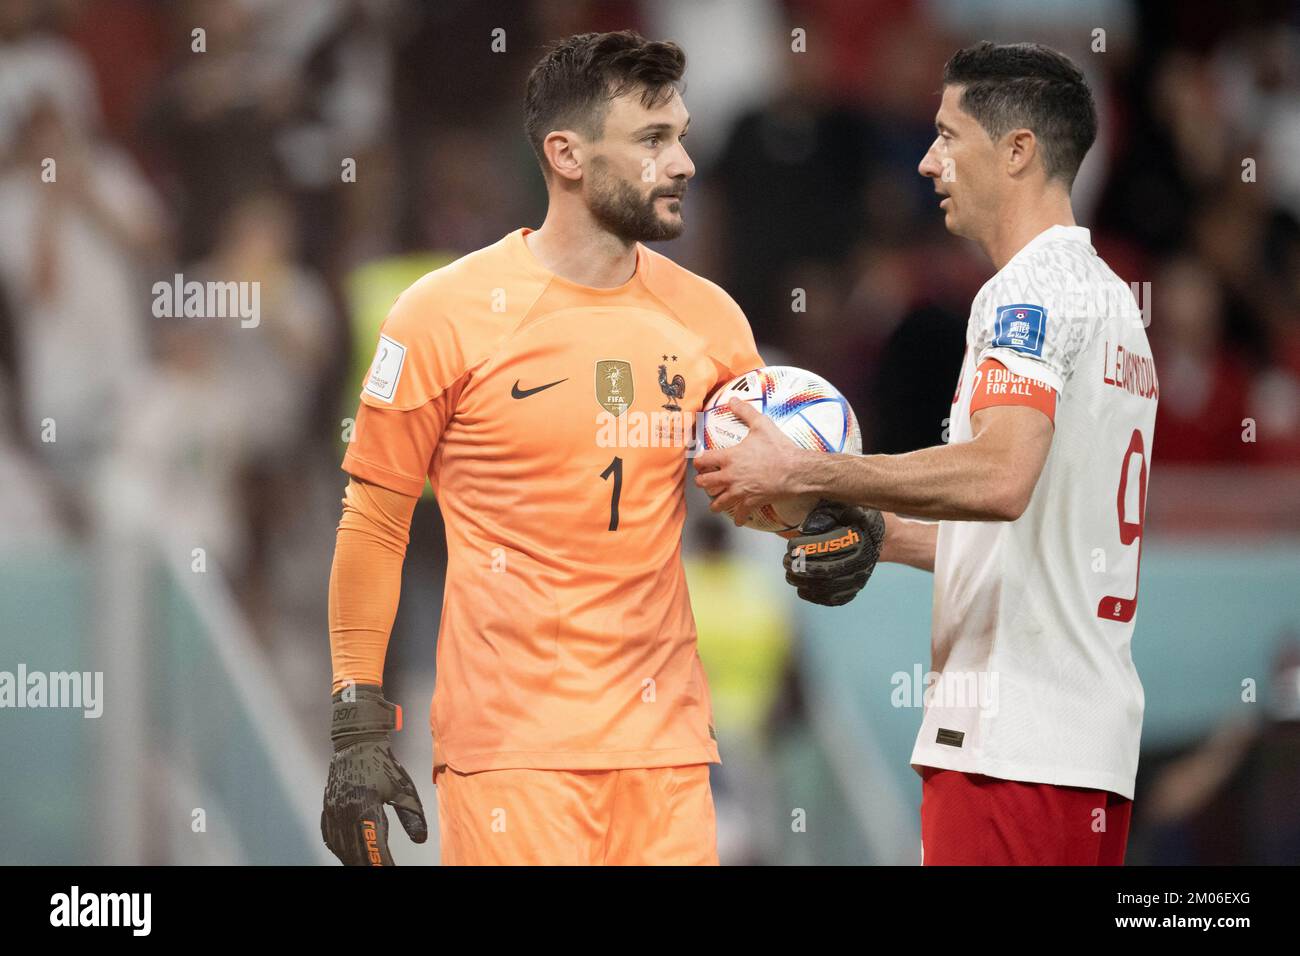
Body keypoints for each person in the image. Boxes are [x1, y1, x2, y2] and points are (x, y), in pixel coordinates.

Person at [696, 41, 1158, 865]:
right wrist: (875, 528)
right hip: (1083, 745)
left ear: (1017, 151)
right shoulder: (1112, 302)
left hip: (1008, 745)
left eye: (948, 136)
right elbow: (1029, 538)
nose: (926, 160)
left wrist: (802, 468)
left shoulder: (1026, 292)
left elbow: (1001, 476)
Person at [321, 31, 763, 865]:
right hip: (514, 759)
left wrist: (826, 524)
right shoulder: (440, 315)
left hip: (666, 756)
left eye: (683, 137)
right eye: (653, 140)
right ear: (565, 154)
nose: (684, 165)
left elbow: (756, 492)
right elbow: (374, 523)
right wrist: (357, 725)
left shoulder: (714, 321)